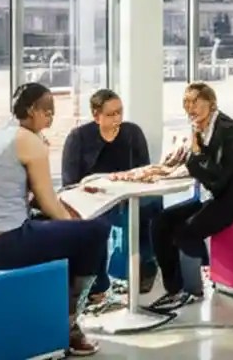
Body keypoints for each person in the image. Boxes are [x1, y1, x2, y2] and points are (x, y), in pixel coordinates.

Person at [0, 83, 108, 356]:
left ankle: (84, 299)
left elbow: (24, 196)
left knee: (70, 235)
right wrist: (74, 223)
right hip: (1, 245)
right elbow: (48, 202)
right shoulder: (30, 141)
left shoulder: (3, 134)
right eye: (47, 112)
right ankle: (75, 319)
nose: (51, 118)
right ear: (31, 110)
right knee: (95, 231)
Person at [150, 82, 233, 311]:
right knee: (160, 223)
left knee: (185, 231)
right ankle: (174, 289)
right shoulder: (199, 127)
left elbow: (219, 177)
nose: (190, 107)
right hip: (212, 195)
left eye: (195, 101)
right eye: (186, 101)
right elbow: (205, 169)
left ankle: (198, 284)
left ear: (211, 102)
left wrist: (194, 155)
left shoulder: (227, 129)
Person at [60, 89, 162, 302]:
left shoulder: (132, 133)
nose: (117, 118)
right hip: (94, 200)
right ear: (96, 116)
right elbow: (69, 183)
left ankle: (145, 267)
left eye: (119, 112)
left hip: (128, 196)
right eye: (110, 114)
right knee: (97, 225)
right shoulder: (78, 138)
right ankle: (98, 285)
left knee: (151, 205)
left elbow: (144, 170)